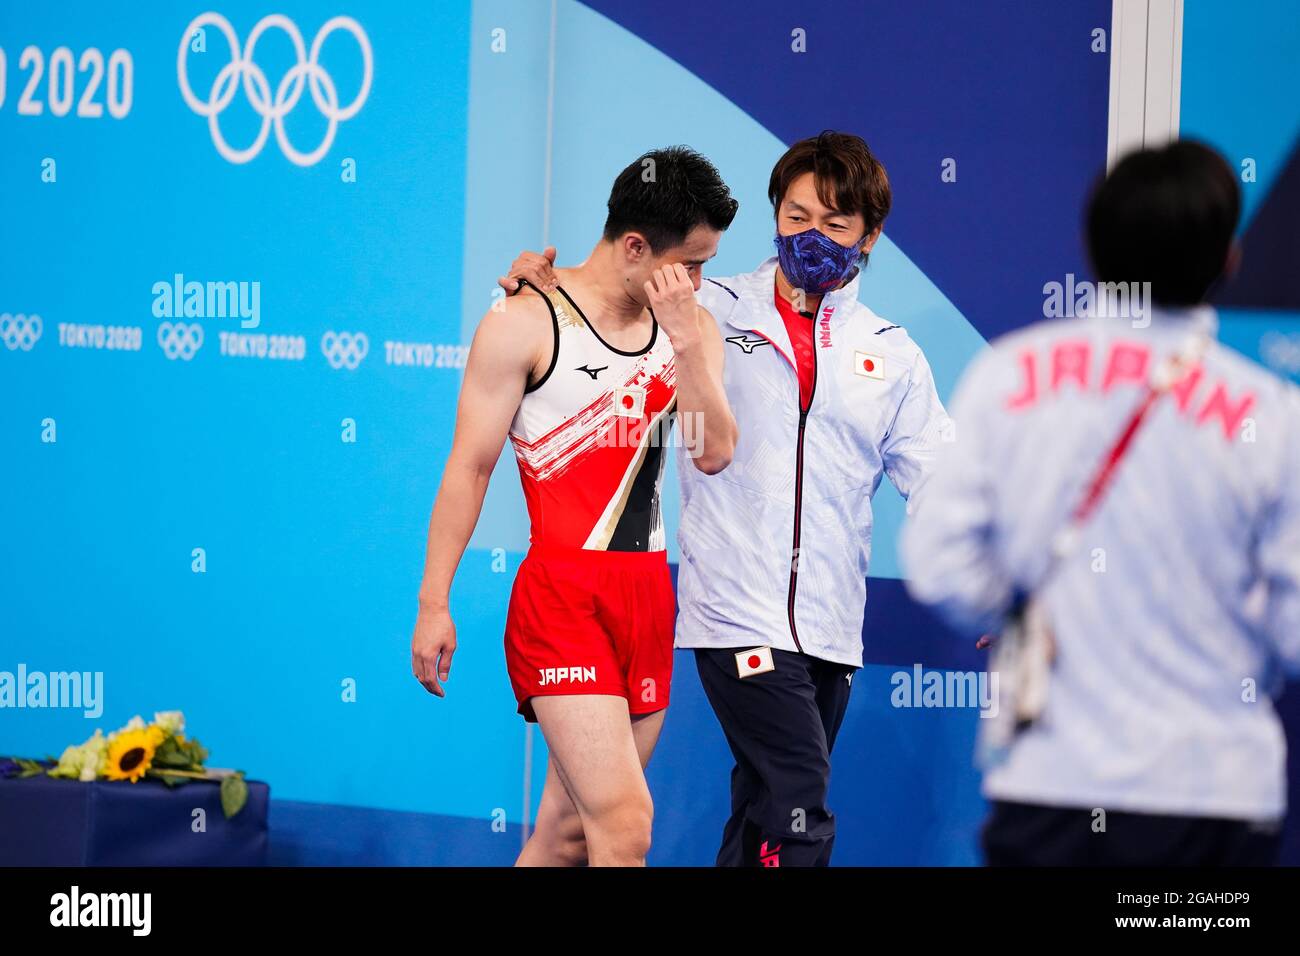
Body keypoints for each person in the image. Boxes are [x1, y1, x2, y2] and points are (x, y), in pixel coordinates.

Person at [504, 131, 951, 866]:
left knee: (759, 812)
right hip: (735, 614)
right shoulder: (703, 300)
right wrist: (531, 281)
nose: (812, 237)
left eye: (836, 225)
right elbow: (599, 295)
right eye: (797, 216)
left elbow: (941, 479)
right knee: (799, 803)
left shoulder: (890, 352)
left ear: (870, 236)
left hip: (831, 628)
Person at [900, 140, 1300, 866]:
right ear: (1228, 260)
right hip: (1216, 795)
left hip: (1054, 784)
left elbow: (938, 561)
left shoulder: (1007, 375)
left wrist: (1028, 615)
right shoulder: (1272, 413)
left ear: (1093, 247)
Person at [412, 146, 739, 867]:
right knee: (624, 828)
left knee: (562, 838)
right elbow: (469, 467)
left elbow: (713, 450)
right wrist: (435, 601)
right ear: (634, 247)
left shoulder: (692, 328)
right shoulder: (523, 323)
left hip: (649, 597)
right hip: (562, 599)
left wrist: (686, 341)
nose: (698, 283)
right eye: (689, 264)